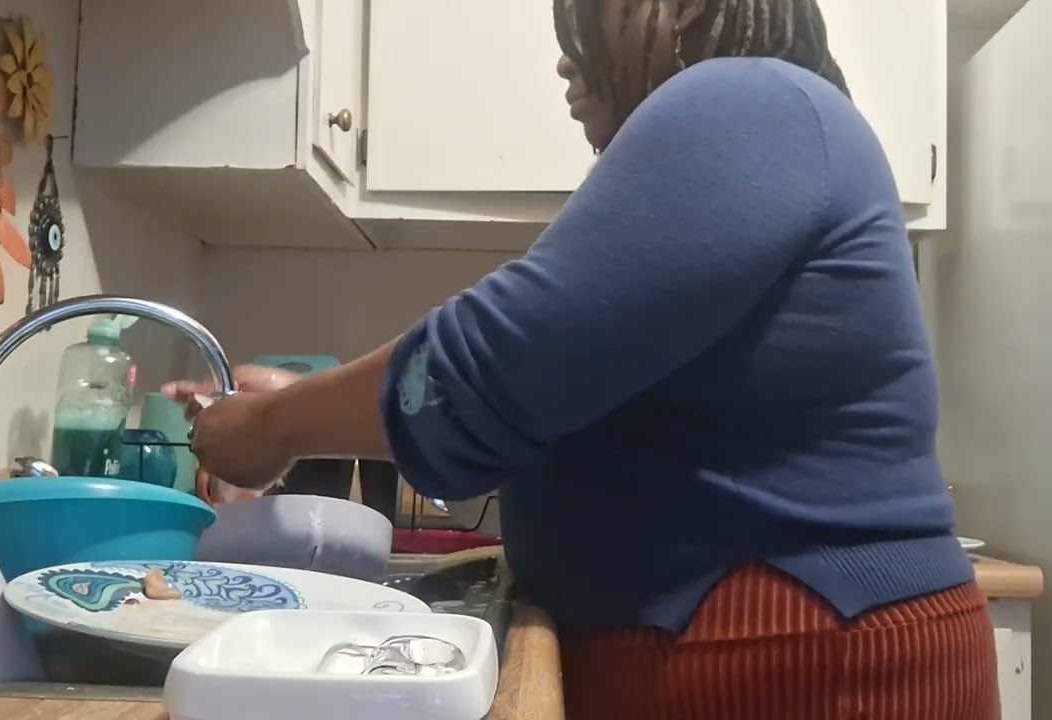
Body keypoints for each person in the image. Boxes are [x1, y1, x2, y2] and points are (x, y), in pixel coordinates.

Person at [166, 0, 998, 717]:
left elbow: (490, 370)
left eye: (586, 15)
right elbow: (540, 379)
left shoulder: (749, 99)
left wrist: (274, 425)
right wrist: (310, 402)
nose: (566, 56)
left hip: (803, 655)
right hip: (781, 644)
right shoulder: (774, 122)